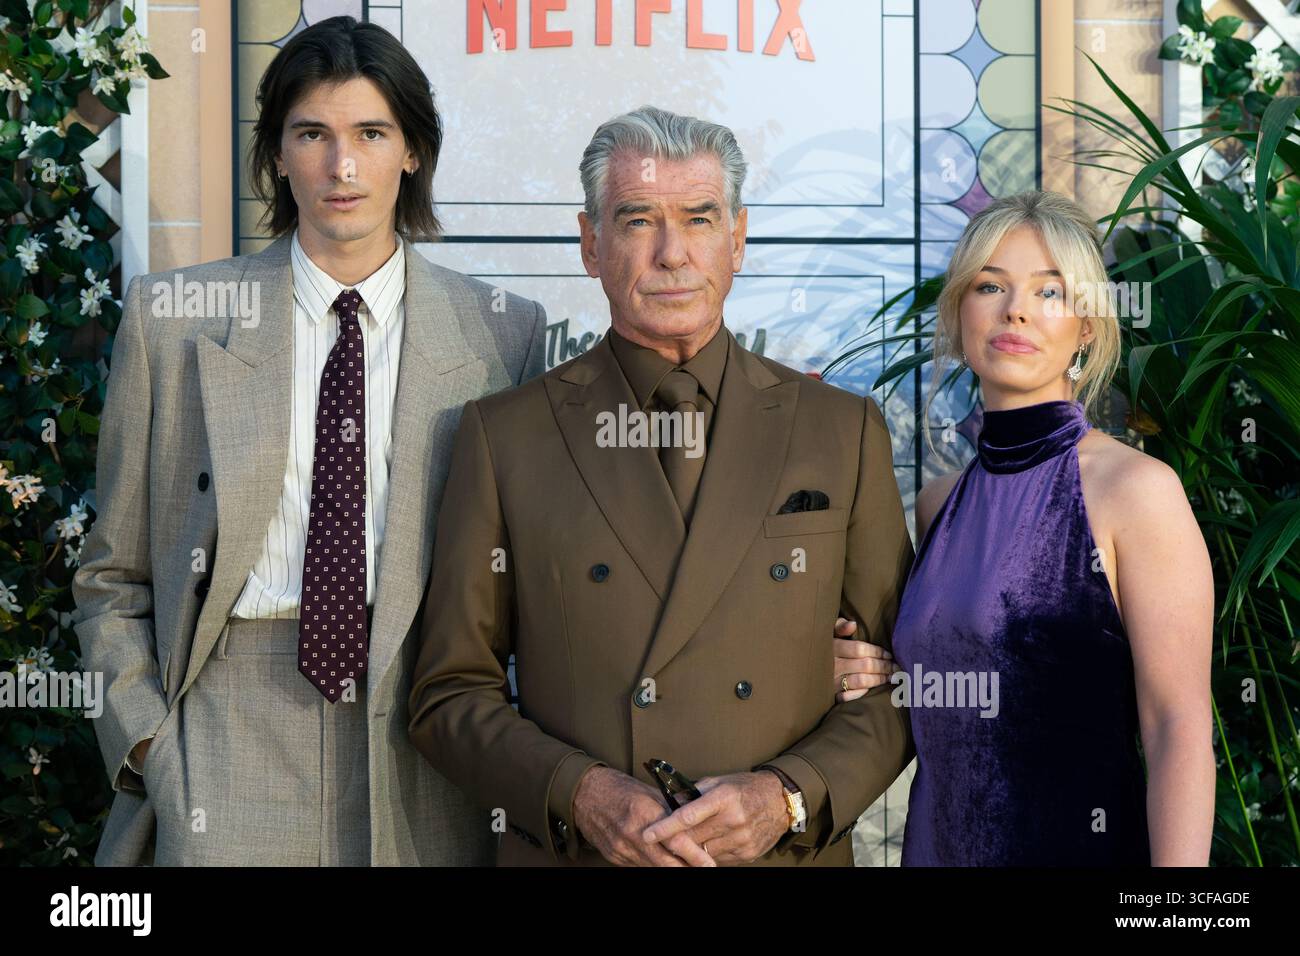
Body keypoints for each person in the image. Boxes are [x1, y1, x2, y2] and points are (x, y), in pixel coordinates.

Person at [72, 16, 546, 866]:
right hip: (225, 732)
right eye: (313, 135)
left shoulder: (500, 334)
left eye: (371, 132)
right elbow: (112, 574)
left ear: (412, 151)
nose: (343, 165)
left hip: (426, 734)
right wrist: (150, 744)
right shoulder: (172, 322)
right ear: (279, 154)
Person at [407, 105, 915, 866]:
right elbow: (448, 694)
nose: (673, 254)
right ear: (590, 243)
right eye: (638, 220)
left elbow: (903, 685)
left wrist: (788, 795)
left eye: (700, 219)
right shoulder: (505, 434)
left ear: (737, 238)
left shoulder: (841, 430)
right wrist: (578, 795)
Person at [835, 190, 1214, 865]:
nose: (1015, 309)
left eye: (1050, 291)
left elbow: (1176, 727)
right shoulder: (939, 504)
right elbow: (956, 692)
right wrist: (862, 669)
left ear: (1088, 327)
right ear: (958, 311)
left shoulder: (1135, 491)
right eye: (990, 285)